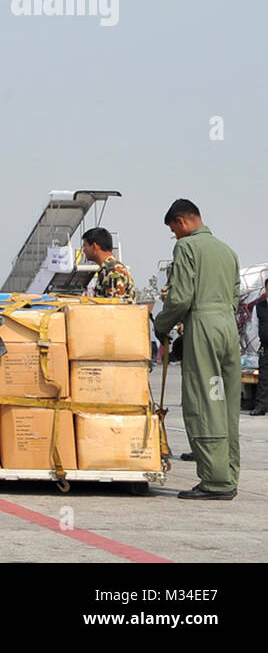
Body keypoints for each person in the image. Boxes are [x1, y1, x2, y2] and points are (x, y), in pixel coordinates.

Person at [151, 199, 241, 500]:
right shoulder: (228, 251)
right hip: (228, 327)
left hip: (202, 324)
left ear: (181, 222)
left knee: (204, 401)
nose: (175, 236)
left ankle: (215, 482)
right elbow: (235, 297)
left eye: (173, 230)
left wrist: (161, 326)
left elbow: (180, 298)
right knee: (227, 404)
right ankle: (228, 473)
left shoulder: (187, 248)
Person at [82, 227, 135, 301]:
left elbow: (114, 307)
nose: (83, 250)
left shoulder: (114, 271)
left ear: (94, 246)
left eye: (85, 246)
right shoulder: (107, 270)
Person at [248, 279, 268, 415]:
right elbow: (253, 328)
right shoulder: (259, 307)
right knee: (264, 379)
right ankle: (261, 406)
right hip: (265, 348)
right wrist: (257, 347)